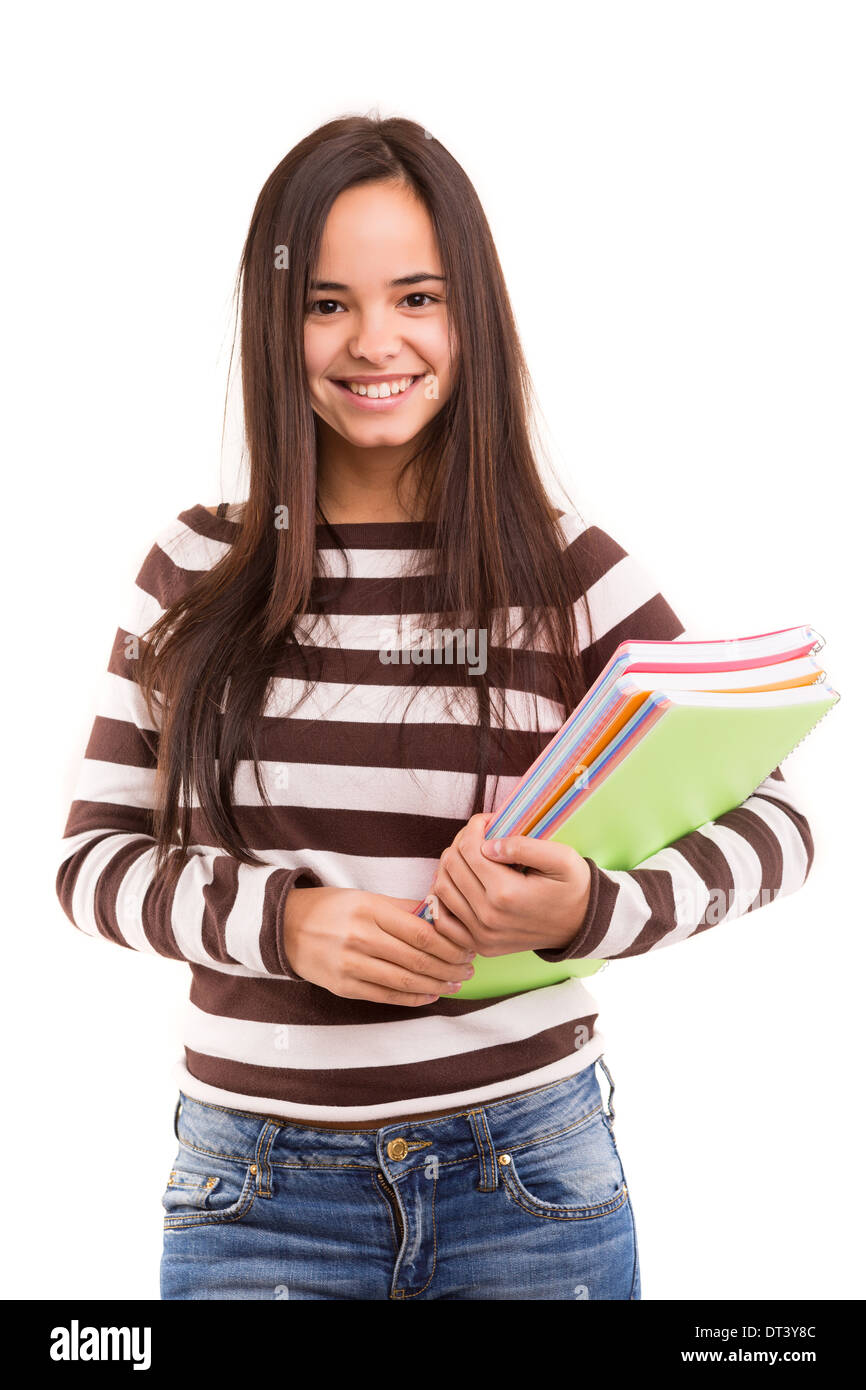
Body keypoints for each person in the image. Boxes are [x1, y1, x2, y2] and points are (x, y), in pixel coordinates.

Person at [55, 115, 815, 1301]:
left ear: (471, 315)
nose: (374, 342)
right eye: (325, 304)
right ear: (275, 323)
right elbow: (90, 862)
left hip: (526, 1182)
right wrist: (285, 925)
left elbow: (777, 827)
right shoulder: (193, 567)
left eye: (417, 297)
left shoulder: (567, 571)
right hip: (254, 1192)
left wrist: (586, 907)